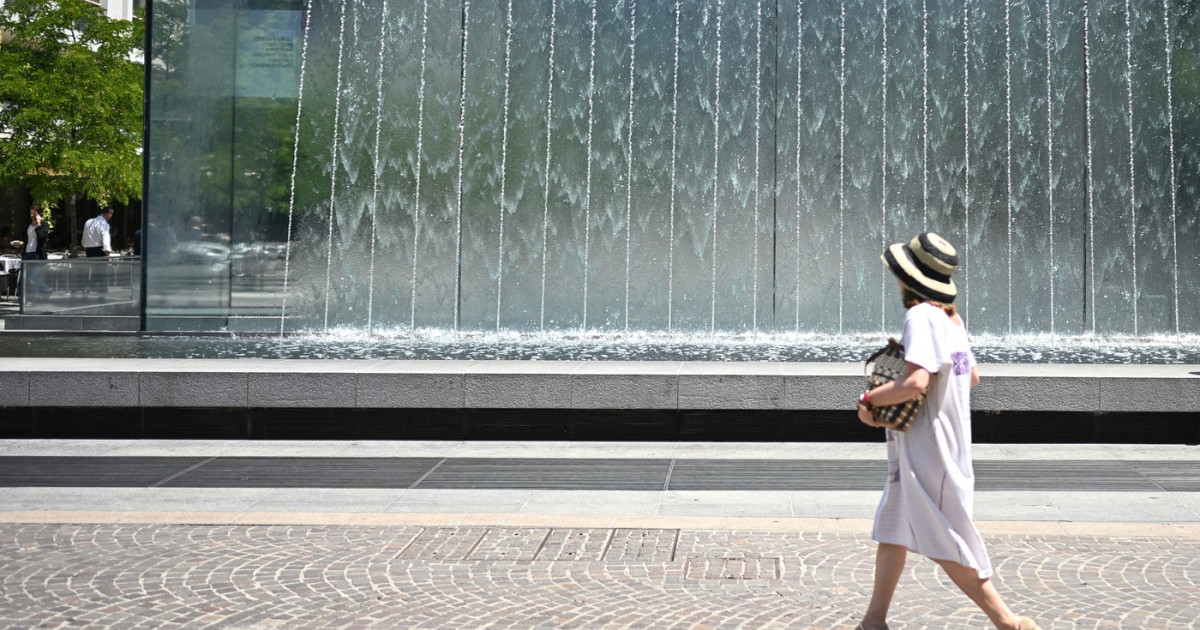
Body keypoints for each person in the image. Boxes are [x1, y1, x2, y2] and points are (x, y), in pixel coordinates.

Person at [854, 233, 1042, 630]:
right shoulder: (951, 320)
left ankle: (1008, 622)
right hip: (940, 441)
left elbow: (917, 381)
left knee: (945, 539)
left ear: (911, 278)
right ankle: (873, 622)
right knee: (894, 525)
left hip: (929, 448)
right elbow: (970, 376)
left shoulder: (920, 317)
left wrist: (869, 401)